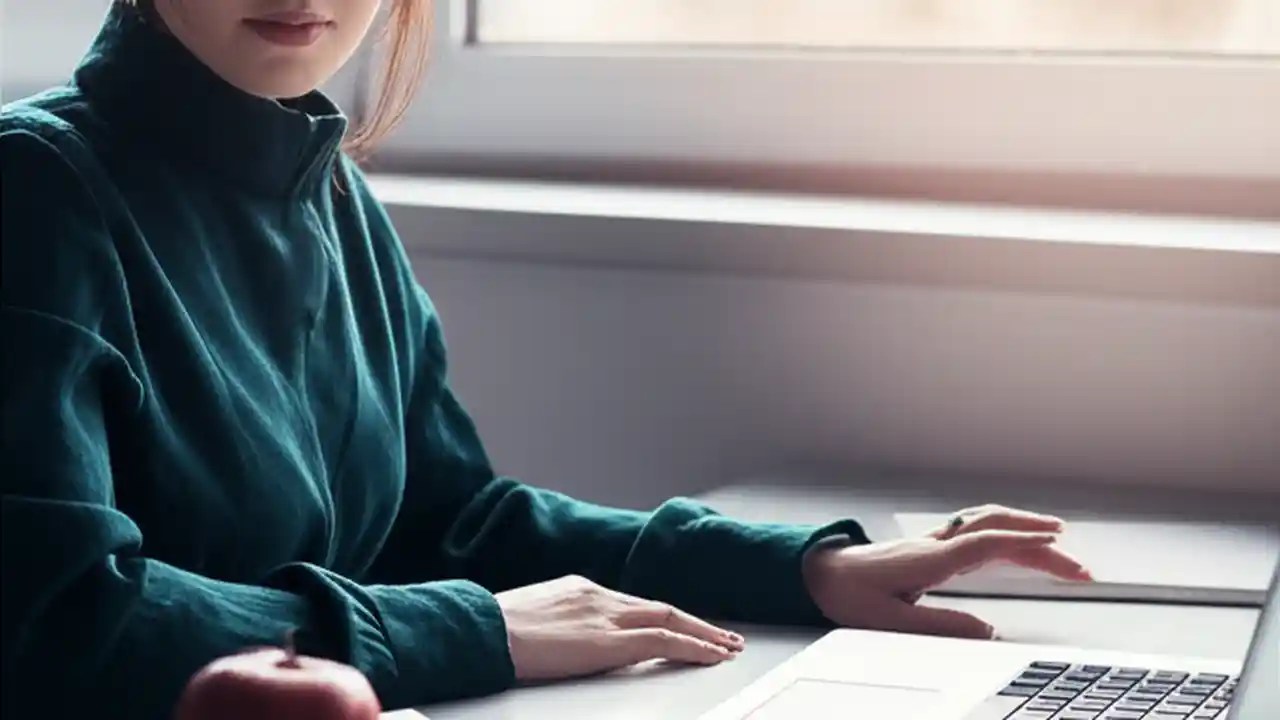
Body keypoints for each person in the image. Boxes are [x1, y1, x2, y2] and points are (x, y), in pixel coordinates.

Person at [0, 2, 1092, 718]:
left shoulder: (324, 188)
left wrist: (796, 571)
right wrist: (476, 629)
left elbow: (450, 524)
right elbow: (54, 619)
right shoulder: (36, 190)